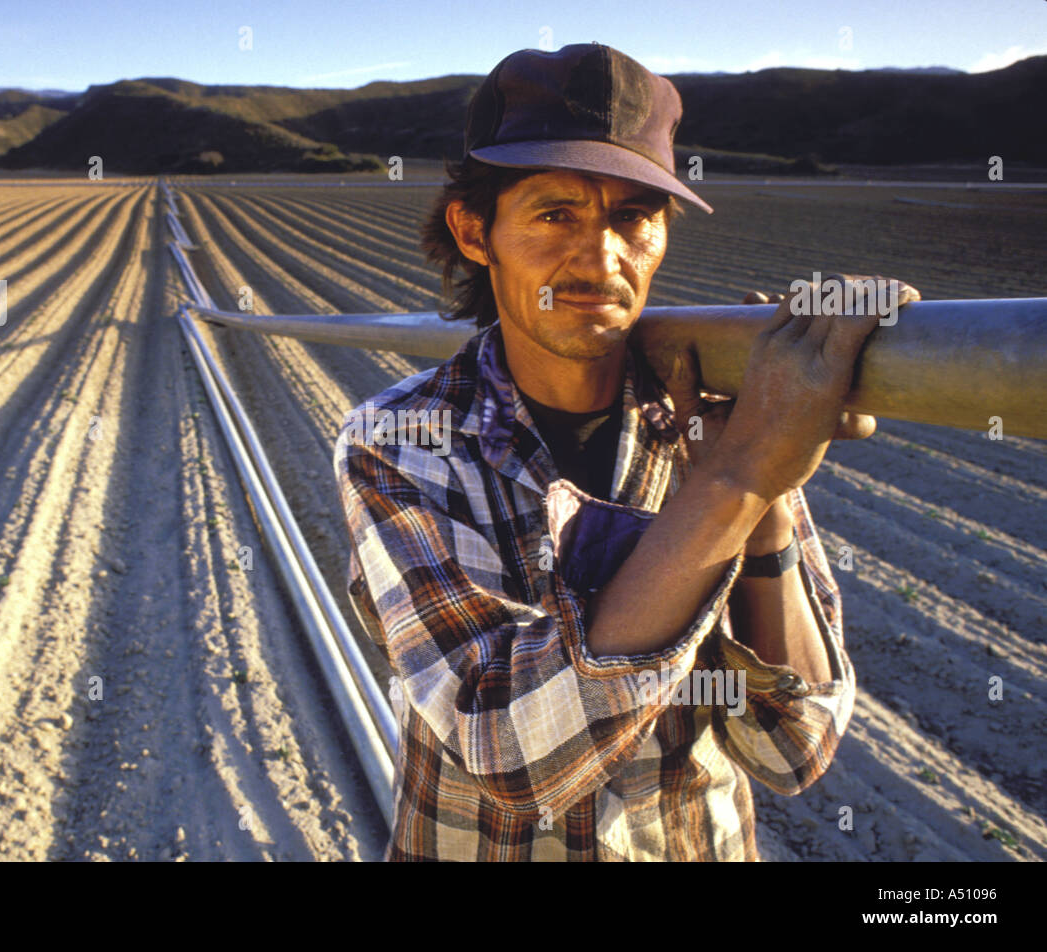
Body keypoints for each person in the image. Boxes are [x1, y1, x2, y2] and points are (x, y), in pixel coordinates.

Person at [333, 42, 919, 861]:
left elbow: (794, 750)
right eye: (554, 213)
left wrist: (765, 503)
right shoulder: (400, 443)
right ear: (474, 231)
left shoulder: (714, 420)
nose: (601, 257)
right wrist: (735, 477)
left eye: (632, 217)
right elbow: (509, 752)